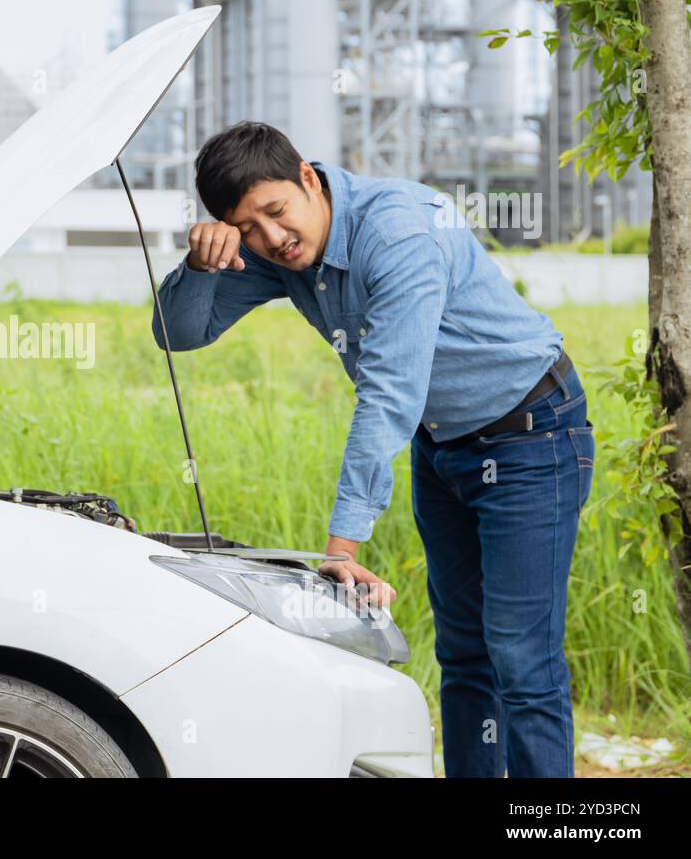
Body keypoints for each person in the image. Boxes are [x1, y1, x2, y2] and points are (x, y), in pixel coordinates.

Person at [150, 121, 595, 778]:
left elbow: (390, 393)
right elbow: (179, 334)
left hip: (532, 435)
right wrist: (197, 267)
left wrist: (343, 547)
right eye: (246, 229)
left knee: (520, 656)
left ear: (308, 177)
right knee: (467, 652)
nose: (272, 239)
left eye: (276, 212)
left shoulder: (397, 232)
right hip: (442, 444)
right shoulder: (278, 252)